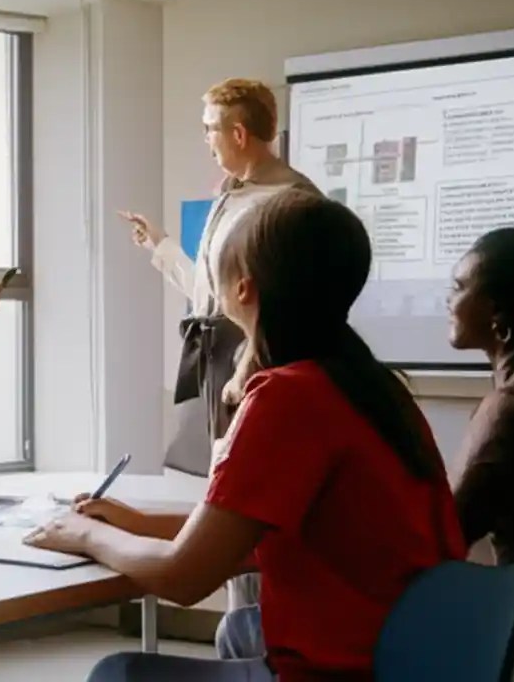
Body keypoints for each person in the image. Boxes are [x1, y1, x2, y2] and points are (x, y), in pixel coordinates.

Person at [27, 190, 465, 681]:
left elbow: (184, 576)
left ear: (242, 289)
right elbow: (246, 535)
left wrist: (86, 533)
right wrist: (134, 522)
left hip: (347, 669)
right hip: (412, 656)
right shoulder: (373, 387)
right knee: (239, 629)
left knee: (119, 673)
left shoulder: (289, 397)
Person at [116, 78, 320, 658]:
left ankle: (261, 645)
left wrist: (249, 364)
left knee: (254, 504)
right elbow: (212, 296)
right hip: (217, 360)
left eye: (209, 128)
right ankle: (243, 640)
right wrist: (159, 247)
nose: (205, 139)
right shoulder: (231, 193)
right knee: (226, 497)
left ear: (237, 132)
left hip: (259, 359)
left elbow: (273, 304)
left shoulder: (294, 205)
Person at [446, 227, 514, 565]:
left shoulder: (513, 405)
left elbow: (445, 533)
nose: (449, 300)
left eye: (460, 287)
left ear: (498, 315)